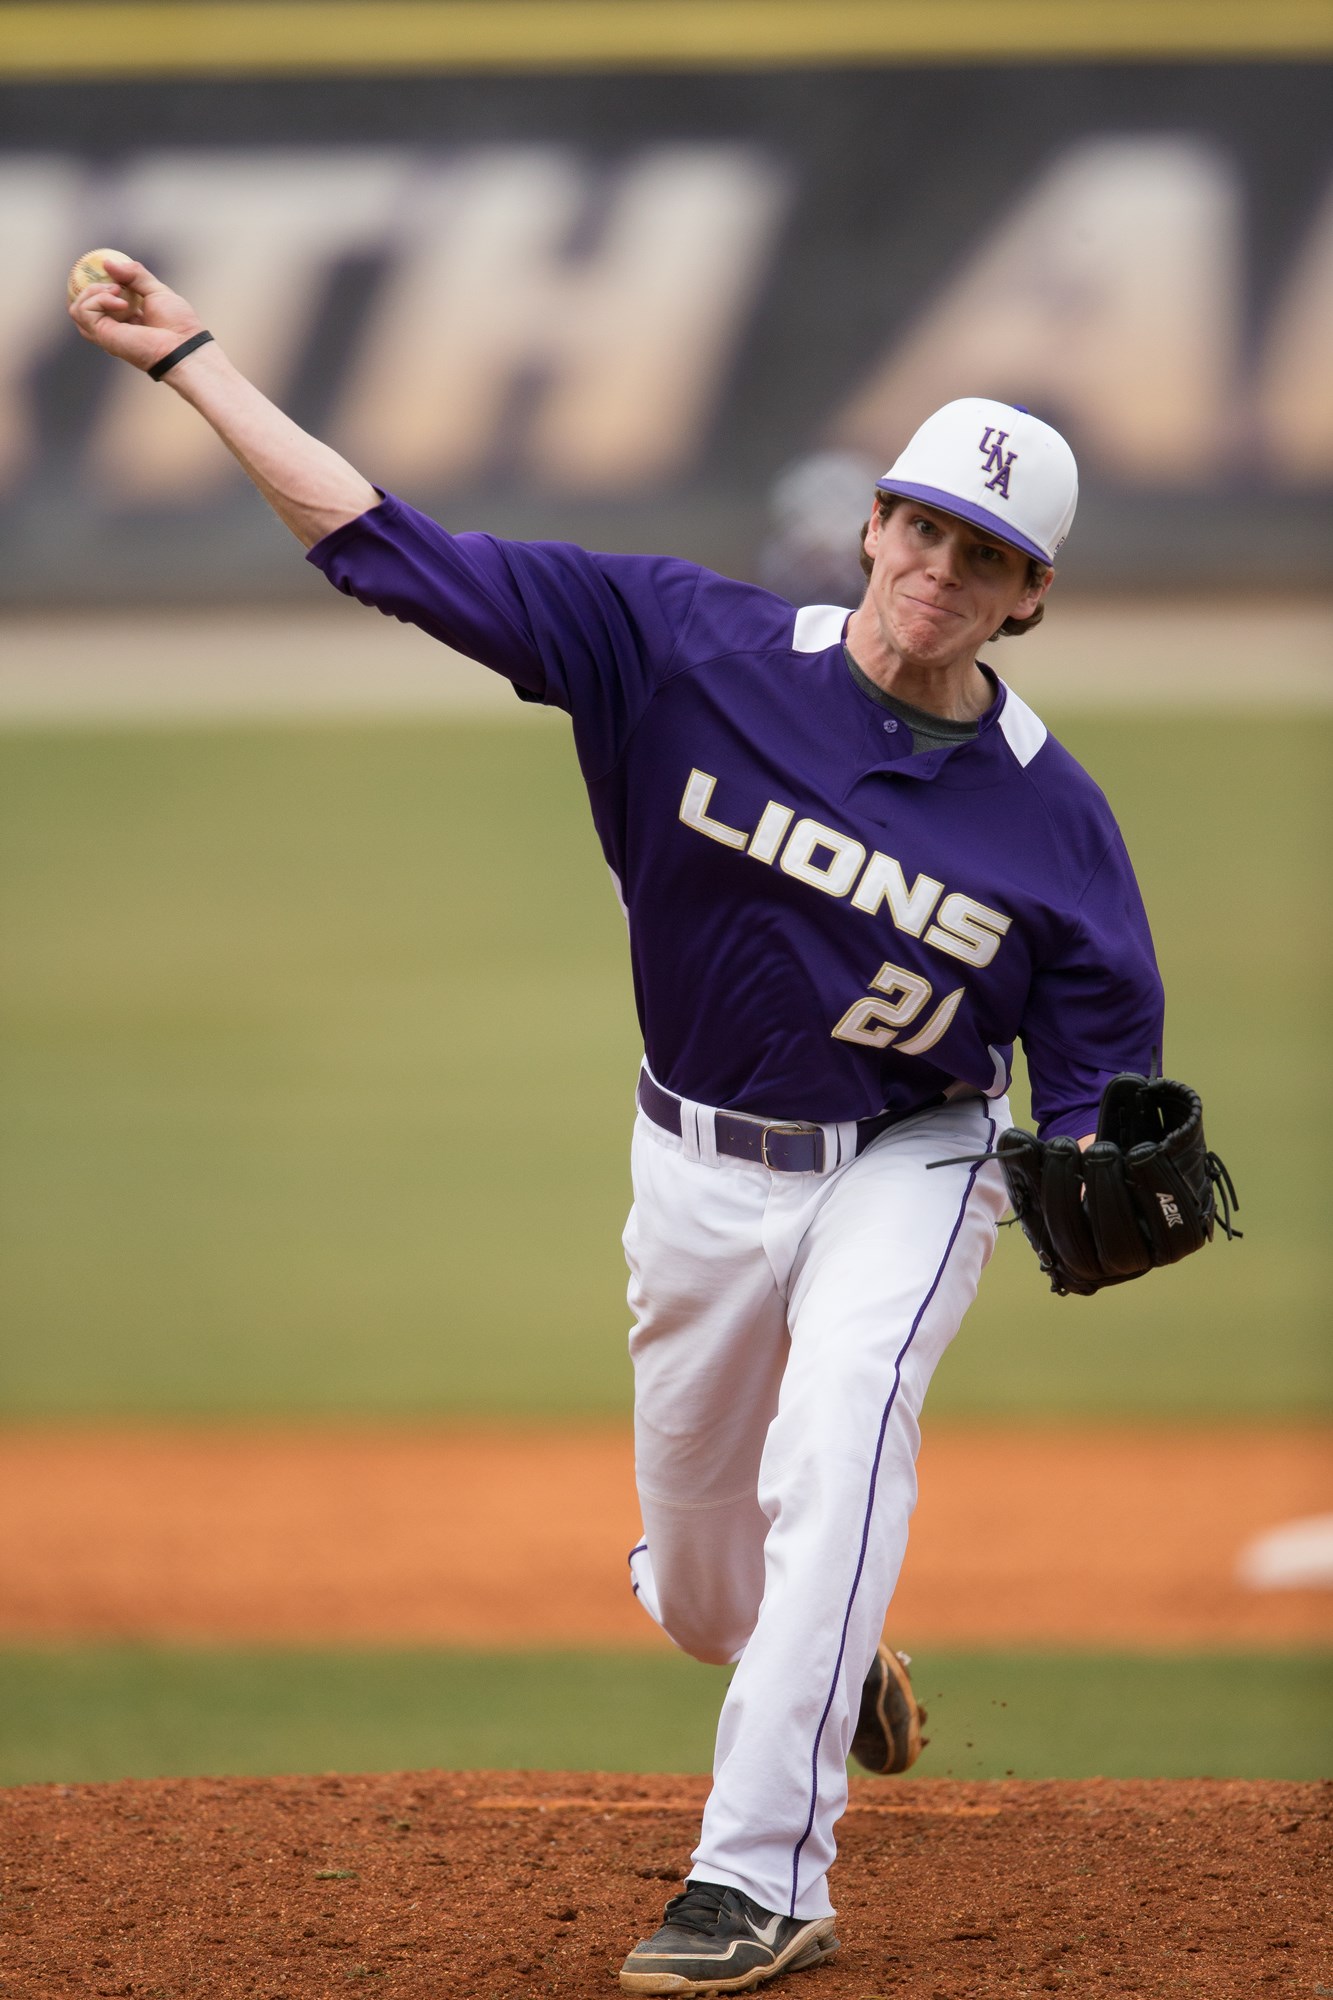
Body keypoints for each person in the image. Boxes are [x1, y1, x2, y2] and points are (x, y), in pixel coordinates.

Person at [71, 258, 1164, 1997]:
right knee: (699, 1594)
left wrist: (1107, 1157)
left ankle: (759, 1880)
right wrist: (192, 363)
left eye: (988, 560)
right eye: (924, 532)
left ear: (1031, 599)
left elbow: (1101, 1078)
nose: (939, 577)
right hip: (696, 1168)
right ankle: (829, 1660)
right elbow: (384, 542)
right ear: (873, 524)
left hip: (911, 1156)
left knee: (842, 1451)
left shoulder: (1055, 825)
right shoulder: (683, 646)